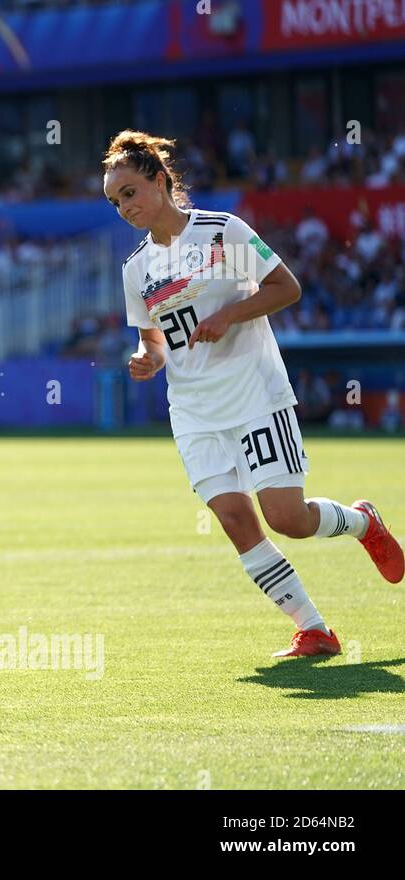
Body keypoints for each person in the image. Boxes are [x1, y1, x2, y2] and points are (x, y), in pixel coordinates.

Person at [102, 129, 403, 659]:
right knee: (236, 521)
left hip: (254, 394)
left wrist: (229, 314)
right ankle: (314, 629)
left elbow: (287, 287)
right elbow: (152, 337)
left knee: (287, 519)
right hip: (193, 410)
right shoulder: (135, 269)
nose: (124, 207)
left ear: (159, 180)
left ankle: (362, 522)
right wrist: (147, 359)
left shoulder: (222, 232)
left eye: (129, 192)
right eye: (114, 201)